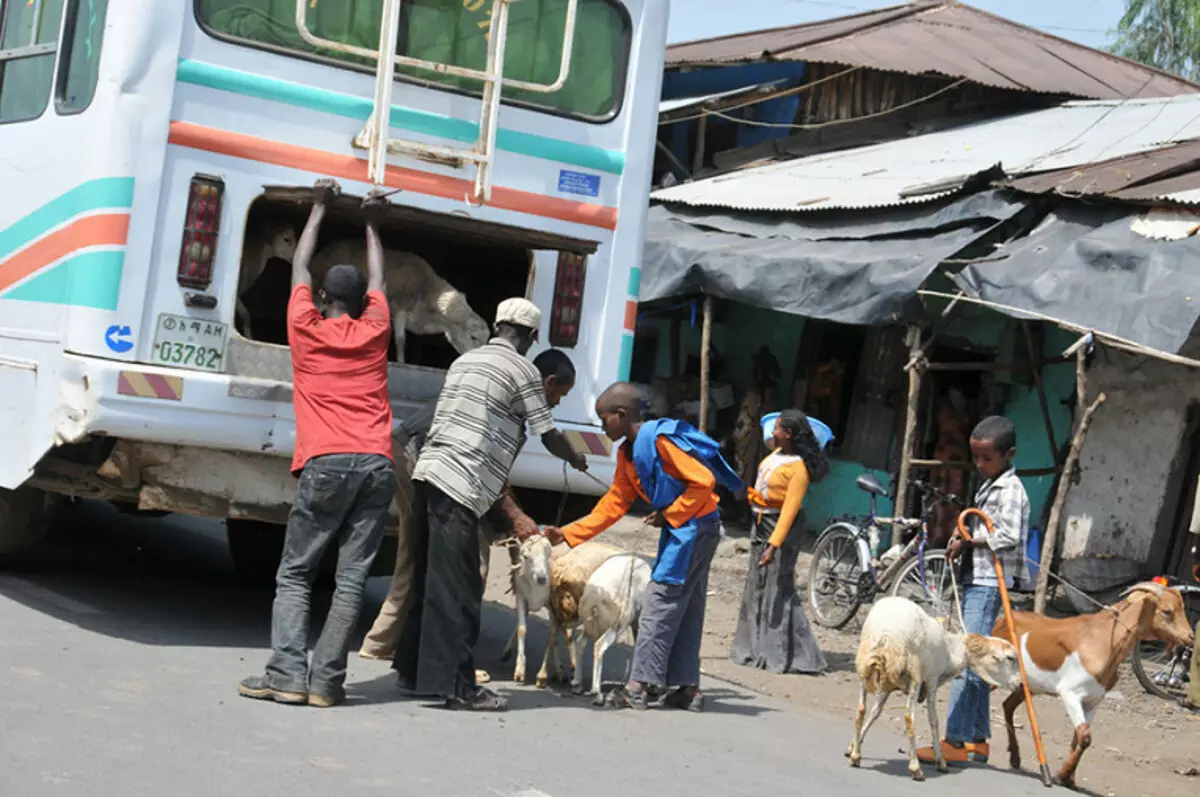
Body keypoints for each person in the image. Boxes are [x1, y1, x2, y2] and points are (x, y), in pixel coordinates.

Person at [238, 180, 396, 709]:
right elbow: (380, 278)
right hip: (376, 462)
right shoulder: (376, 328)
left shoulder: (304, 326)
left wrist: (319, 209)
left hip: (327, 461)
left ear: (325, 299)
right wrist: (373, 221)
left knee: (298, 572)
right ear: (363, 303)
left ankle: (286, 672)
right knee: (350, 579)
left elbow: (299, 268)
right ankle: (327, 683)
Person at [393, 303, 587, 712]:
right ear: (532, 338)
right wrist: (576, 458)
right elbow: (547, 433)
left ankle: (412, 670)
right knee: (460, 588)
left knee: (431, 578)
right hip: (461, 485)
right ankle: (457, 686)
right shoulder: (524, 372)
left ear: (497, 326)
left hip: (429, 474)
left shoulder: (466, 360)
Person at [358, 349, 577, 664]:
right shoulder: (506, 402)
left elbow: (495, 475)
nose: (556, 403)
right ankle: (447, 657)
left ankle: (385, 642)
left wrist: (515, 517)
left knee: (420, 554)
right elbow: (482, 464)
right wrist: (516, 516)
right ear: (548, 382)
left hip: (424, 460)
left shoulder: (507, 396)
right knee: (465, 561)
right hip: (415, 459)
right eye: (559, 394)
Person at [545, 382, 743, 712]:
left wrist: (672, 514)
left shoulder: (659, 440)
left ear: (621, 416)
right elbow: (614, 504)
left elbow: (703, 481)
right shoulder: (628, 453)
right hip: (687, 527)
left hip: (694, 528)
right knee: (687, 605)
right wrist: (567, 534)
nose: (601, 426)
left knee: (659, 601)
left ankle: (638, 685)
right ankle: (686, 688)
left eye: (604, 419)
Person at [918, 415, 1029, 764]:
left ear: (1008, 454)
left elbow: (1009, 535)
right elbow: (976, 523)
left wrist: (971, 540)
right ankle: (978, 738)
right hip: (976, 577)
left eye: (987, 458)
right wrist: (960, 537)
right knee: (982, 661)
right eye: (976, 458)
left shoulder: (1011, 490)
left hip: (988, 581)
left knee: (967, 659)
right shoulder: (990, 483)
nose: (980, 465)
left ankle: (952, 741)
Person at [730, 409, 829, 675]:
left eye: (777, 428)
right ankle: (753, 649)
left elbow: (789, 510)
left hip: (781, 530)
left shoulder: (798, 469)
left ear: (789, 434)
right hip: (760, 523)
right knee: (756, 585)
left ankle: (788, 654)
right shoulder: (774, 455)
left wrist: (773, 545)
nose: (772, 432)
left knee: (778, 589)